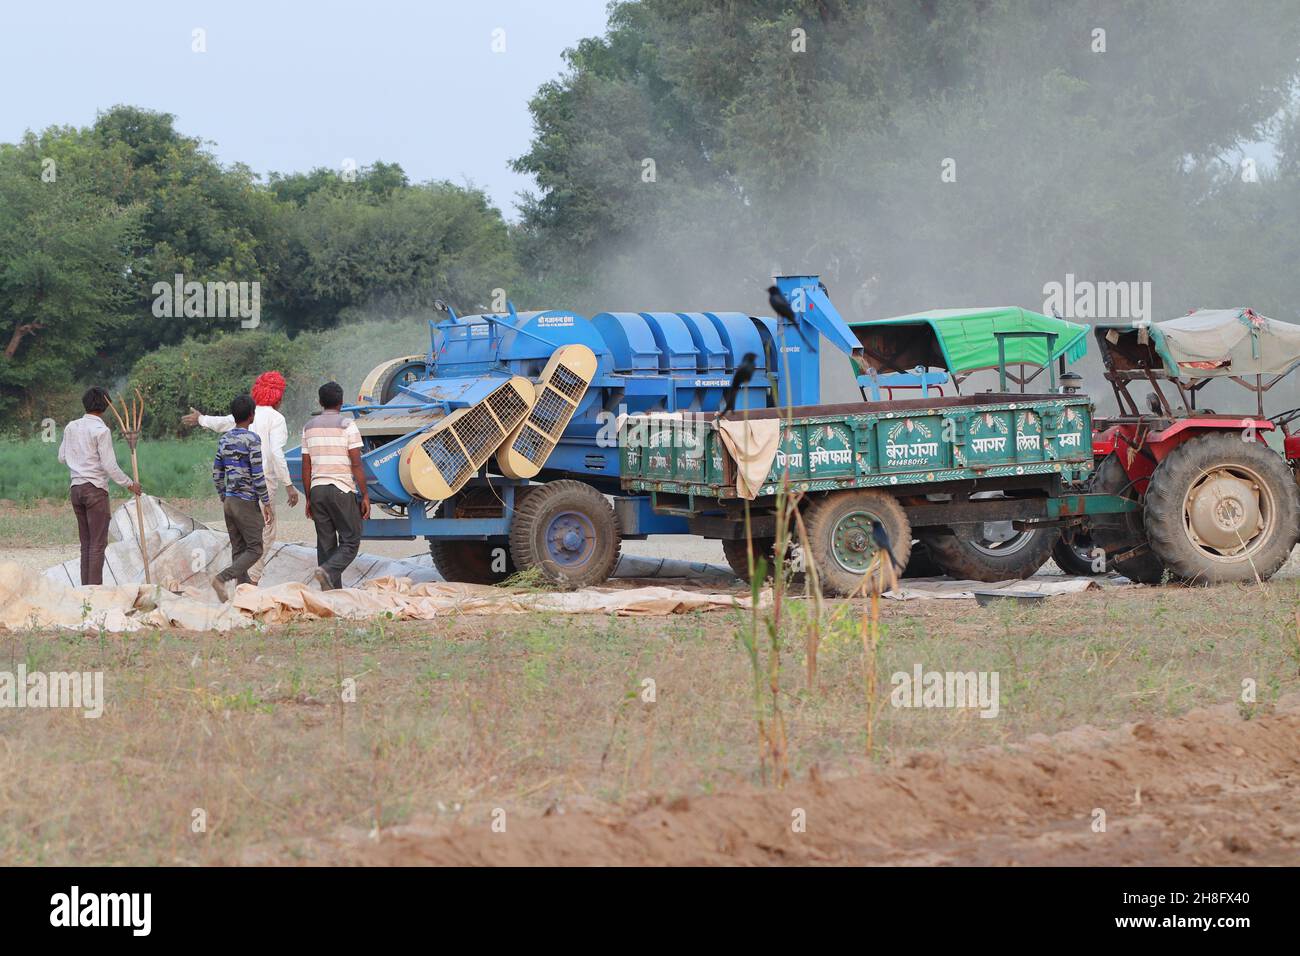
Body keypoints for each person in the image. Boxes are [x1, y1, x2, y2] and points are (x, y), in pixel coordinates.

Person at [182, 371, 298, 583]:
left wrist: (200, 419)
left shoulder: (239, 421)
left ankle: (241, 586)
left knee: (240, 542)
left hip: (233, 493)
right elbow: (275, 454)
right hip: (262, 486)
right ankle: (251, 582)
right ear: (278, 397)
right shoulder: (276, 419)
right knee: (264, 536)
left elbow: (221, 423)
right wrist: (289, 485)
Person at [57, 386, 143, 585]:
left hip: (76, 490)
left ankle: (86, 592)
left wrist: (78, 460)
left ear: (85, 404)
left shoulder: (71, 426)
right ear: (106, 406)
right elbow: (109, 466)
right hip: (95, 490)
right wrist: (130, 484)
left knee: (86, 544)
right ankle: (94, 593)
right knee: (97, 545)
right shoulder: (101, 431)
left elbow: (62, 457)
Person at [300, 381, 370, 590]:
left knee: (326, 545)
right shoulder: (348, 425)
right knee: (350, 540)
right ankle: (327, 571)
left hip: (317, 490)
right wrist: (365, 494)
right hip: (341, 489)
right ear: (341, 402)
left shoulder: (309, 427)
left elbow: (306, 466)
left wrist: (309, 498)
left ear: (321, 402)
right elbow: (356, 463)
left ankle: (330, 595)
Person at [211, 394, 273, 602]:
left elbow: (217, 472)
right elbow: (257, 474)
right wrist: (266, 502)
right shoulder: (252, 440)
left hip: (229, 501)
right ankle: (222, 578)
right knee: (255, 549)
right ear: (252, 416)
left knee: (239, 550)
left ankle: (241, 597)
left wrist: (223, 496)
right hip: (246, 501)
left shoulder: (225, 439)